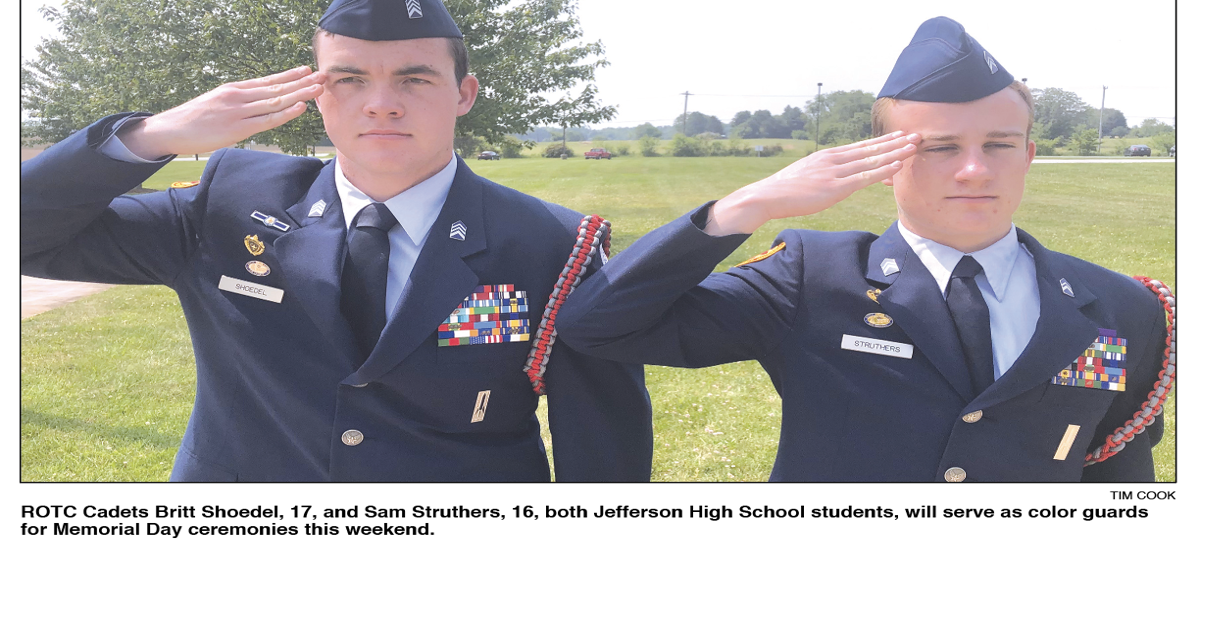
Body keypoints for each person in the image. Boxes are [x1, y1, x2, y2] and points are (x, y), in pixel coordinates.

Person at [20, 0, 652, 482]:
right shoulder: (231, 206)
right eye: (349, 79)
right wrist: (150, 136)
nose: (381, 104)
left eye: (414, 79)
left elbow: (603, 439)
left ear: (463, 95)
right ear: (316, 94)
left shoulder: (551, 242)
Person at [555, 16, 1170, 482]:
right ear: (883, 163)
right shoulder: (811, 281)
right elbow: (597, 326)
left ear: (1029, 154)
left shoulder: (1119, 310)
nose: (975, 170)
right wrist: (743, 208)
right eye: (939, 147)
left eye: (1001, 144)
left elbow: (1115, 472)